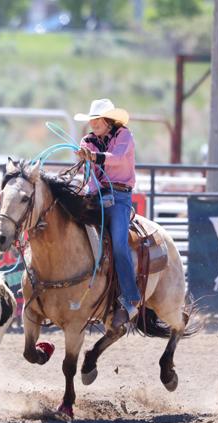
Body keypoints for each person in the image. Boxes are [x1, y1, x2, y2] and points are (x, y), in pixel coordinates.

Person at [73, 98, 141, 329]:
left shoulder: (124, 136)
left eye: (96, 120)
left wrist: (94, 157)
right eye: (91, 120)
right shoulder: (88, 141)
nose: (93, 124)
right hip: (97, 195)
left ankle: (131, 298)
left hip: (120, 197)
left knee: (120, 244)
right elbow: (89, 171)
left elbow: (119, 159)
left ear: (108, 120)